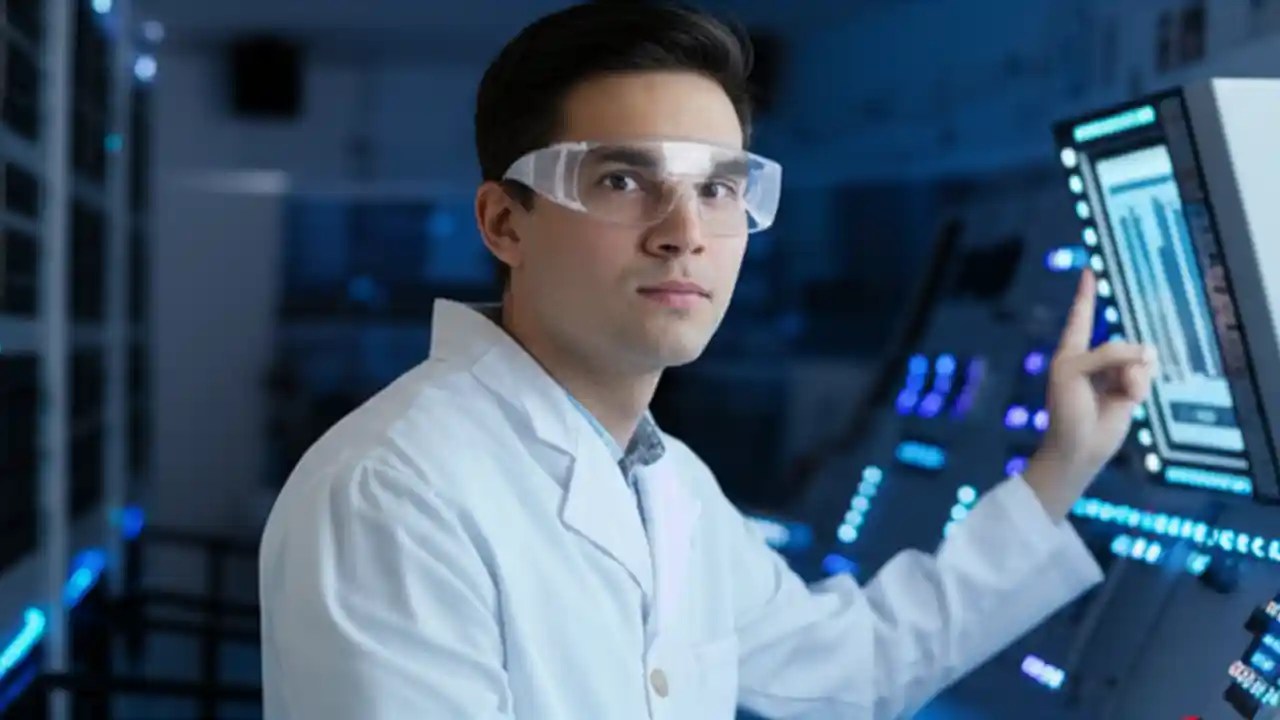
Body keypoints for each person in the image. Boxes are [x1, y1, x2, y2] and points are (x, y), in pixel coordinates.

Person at [258, 3, 1157, 718]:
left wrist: (1061, 467)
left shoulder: (668, 486)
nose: (685, 234)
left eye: (719, 189)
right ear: (504, 223)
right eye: (621, 181)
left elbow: (855, 669)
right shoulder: (396, 490)